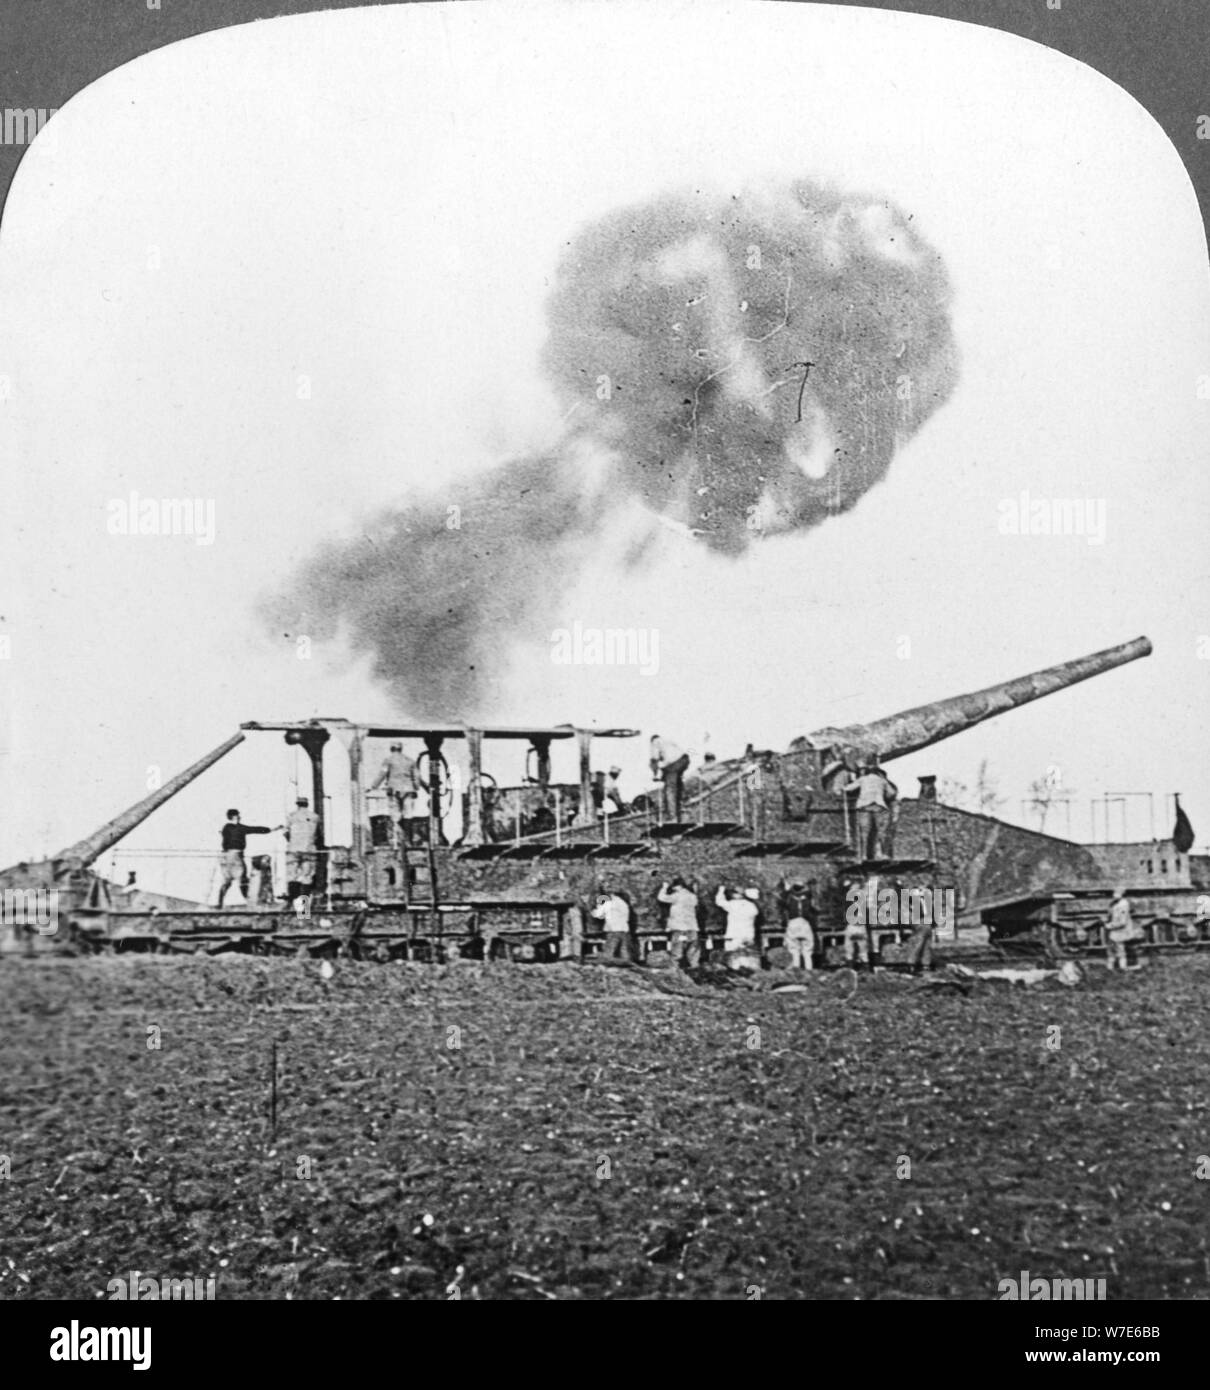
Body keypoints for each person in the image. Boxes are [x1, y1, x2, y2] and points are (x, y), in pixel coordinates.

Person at [216, 809, 278, 907]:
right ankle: (250, 903)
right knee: (242, 880)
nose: (240, 817)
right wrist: (271, 829)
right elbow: (255, 829)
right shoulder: (239, 828)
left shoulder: (226, 828)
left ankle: (219, 903)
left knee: (227, 880)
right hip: (236, 856)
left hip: (226, 856)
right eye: (238, 815)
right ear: (235, 816)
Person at [845, 763, 898, 861]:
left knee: (864, 832)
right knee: (881, 832)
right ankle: (884, 854)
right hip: (879, 806)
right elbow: (892, 793)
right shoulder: (882, 780)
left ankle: (864, 855)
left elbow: (848, 788)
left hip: (864, 807)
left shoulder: (862, 779)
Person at [284, 795, 319, 904]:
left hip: (293, 850)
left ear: (297, 805)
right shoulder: (315, 816)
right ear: (307, 804)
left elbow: (286, 833)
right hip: (309, 849)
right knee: (307, 877)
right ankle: (304, 908)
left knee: (292, 875)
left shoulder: (291, 816)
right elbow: (317, 834)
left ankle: (292, 904)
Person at [657, 878, 700, 967]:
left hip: (679, 927)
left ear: (678, 886)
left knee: (677, 948)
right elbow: (696, 904)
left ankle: (675, 968)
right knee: (692, 948)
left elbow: (662, 898)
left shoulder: (677, 895)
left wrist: (664, 888)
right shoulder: (692, 896)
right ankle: (694, 966)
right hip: (692, 927)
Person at [650, 735, 691, 821]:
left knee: (670, 790)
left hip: (673, 765)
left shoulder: (655, 743)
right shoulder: (668, 740)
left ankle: (673, 817)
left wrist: (655, 775)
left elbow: (654, 759)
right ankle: (682, 809)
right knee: (678, 786)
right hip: (685, 760)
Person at [779, 877, 816, 971]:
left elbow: (782, 901)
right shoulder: (807, 898)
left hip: (793, 923)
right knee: (807, 950)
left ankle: (796, 970)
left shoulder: (790, 898)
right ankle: (809, 969)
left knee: (793, 949)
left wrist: (785, 887)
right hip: (804, 923)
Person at [715, 884, 759, 953]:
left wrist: (721, 891)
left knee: (732, 956)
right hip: (748, 936)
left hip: (734, 936)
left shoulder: (732, 904)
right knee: (747, 956)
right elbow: (755, 915)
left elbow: (719, 902)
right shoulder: (752, 905)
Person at [591, 888, 632, 961]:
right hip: (624, 929)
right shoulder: (623, 903)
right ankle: (626, 962)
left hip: (613, 929)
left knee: (610, 948)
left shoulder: (610, 903)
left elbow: (598, 914)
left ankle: (608, 962)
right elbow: (626, 916)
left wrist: (592, 910)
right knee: (624, 949)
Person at [1106, 887, 1141, 970]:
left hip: (1120, 933)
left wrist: (1109, 925)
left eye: (1116, 893)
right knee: (1112, 949)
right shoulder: (1118, 903)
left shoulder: (1123, 905)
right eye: (1114, 893)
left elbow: (1122, 922)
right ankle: (1112, 967)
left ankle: (1122, 967)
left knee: (1119, 949)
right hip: (1116, 933)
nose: (1114, 895)